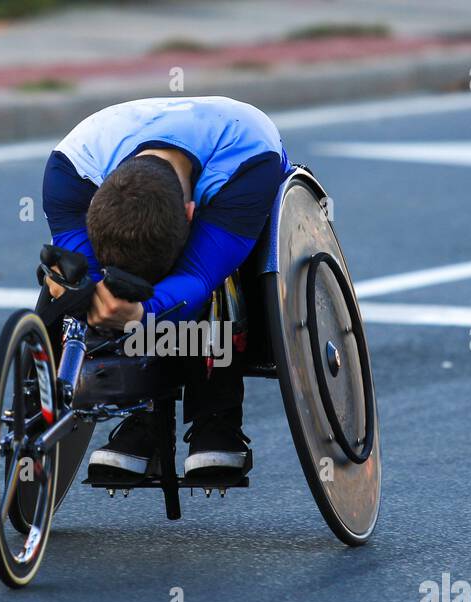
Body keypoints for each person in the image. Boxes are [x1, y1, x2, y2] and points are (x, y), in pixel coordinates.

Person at [41, 96, 289, 482]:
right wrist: (79, 289)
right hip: (106, 159)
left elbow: (199, 277)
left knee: (216, 270)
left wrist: (142, 314)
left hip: (236, 167)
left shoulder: (250, 160)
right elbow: (82, 271)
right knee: (81, 279)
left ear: (191, 214)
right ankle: (137, 414)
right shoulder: (71, 169)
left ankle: (216, 415)